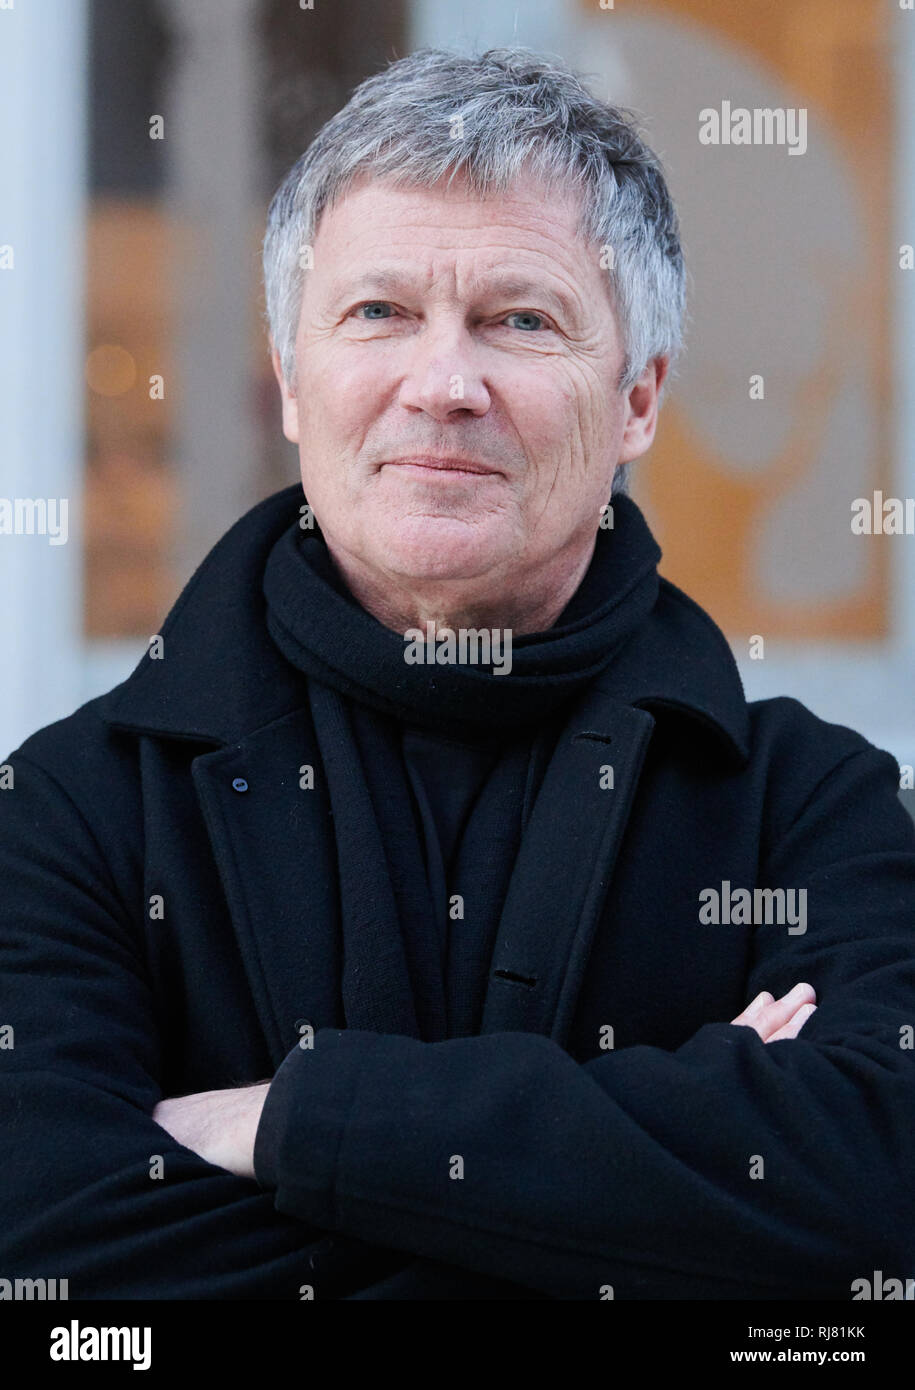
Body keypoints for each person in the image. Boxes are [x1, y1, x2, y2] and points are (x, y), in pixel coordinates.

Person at [2, 46, 914, 1301]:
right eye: (377, 312)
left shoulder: (813, 810)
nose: (443, 385)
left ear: (639, 395)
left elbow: (877, 1194)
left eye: (520, 320)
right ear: (293, 376)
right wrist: (654, 1217)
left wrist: (287, 1128)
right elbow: (49, 1259)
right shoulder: (67, 814)